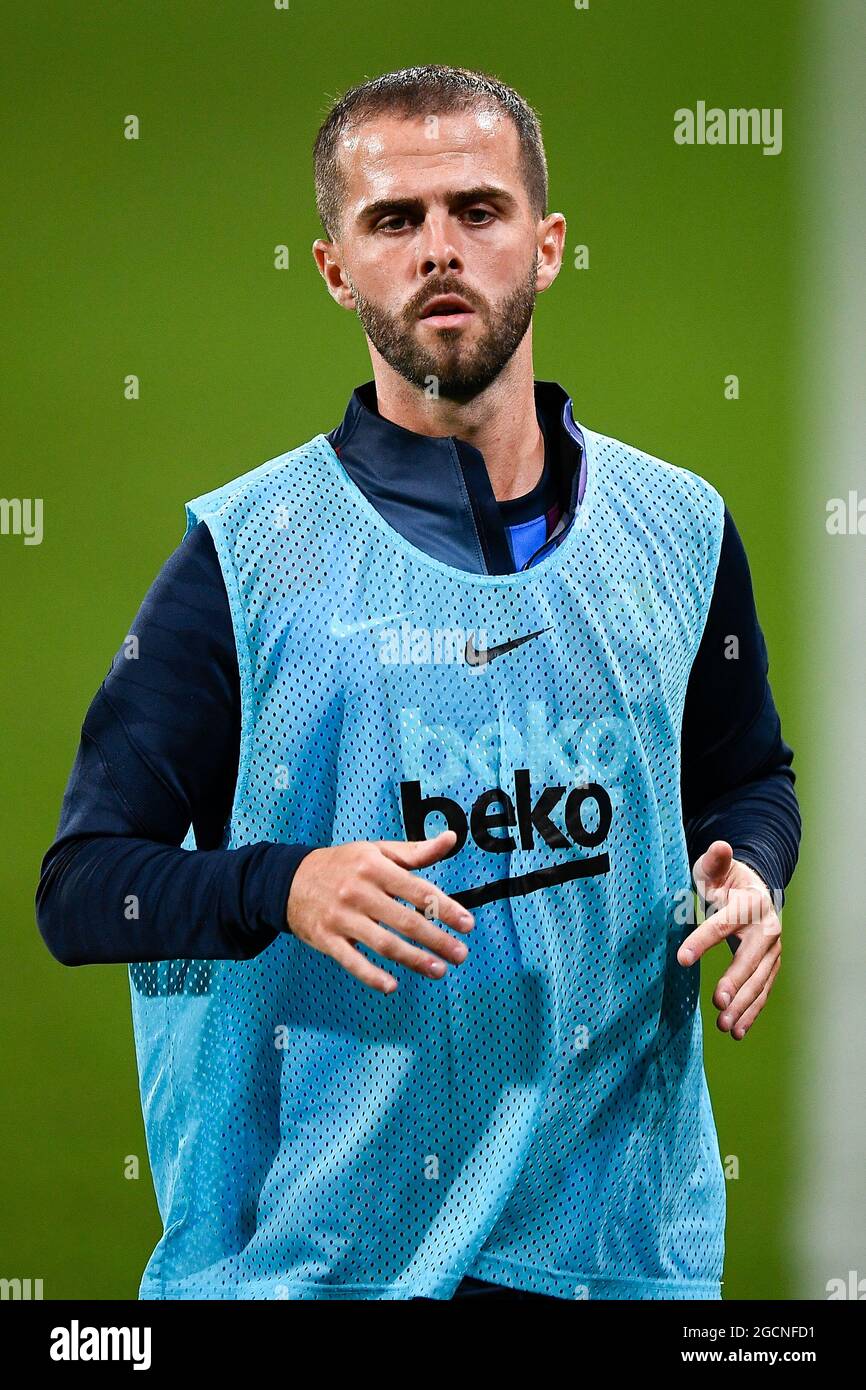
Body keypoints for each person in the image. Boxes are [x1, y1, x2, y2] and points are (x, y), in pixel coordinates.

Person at [36, 64, 800, 1301]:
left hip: (620, 1261)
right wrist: (283, 883)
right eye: (395, 220)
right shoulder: (244, 558)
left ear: (546, 246)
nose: (439, 249)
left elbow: (743, 778)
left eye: (477, 210)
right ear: (337, 268)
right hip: (320, 1270)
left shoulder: (679, 528)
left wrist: (752, 871)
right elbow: (80, 890)